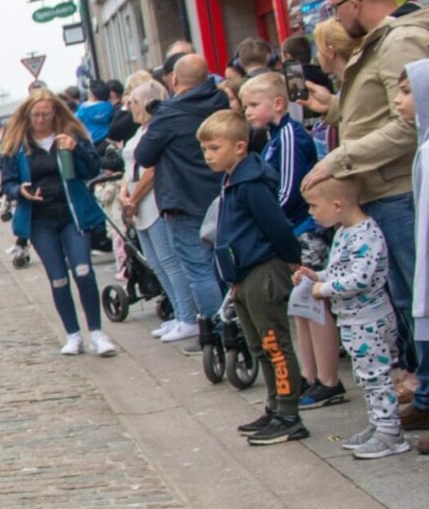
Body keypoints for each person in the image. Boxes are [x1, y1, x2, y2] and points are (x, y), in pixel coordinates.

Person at [300, 0, 429, 438]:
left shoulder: (400, 39)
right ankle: (422, 392)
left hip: (400, 188)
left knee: (420, 298)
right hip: (386, 188)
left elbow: (412, 118)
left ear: (355, 3)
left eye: (335, 6)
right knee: (407, 300)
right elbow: (383, 109)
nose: (334, 17)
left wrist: (342, 159)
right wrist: (333, 108)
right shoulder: (381, 42)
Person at [200, 108, 309, 444]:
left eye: (214, 148)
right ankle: (274, 407)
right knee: (258, 345)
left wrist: (292, 259)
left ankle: (290, 414)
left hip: (263, 269)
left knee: (275, 344)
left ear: (240, 147)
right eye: (205, 149)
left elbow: (275, 224)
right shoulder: (232, 178)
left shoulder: (251, 183)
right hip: (243, 273)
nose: (208, 155)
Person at [242, 72, 344, 408]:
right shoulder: (275, 136)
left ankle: (328, 380)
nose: (247, 111)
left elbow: (286, 191)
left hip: (303, 230)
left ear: (278, 103)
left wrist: (268, 221)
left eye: (254, 104)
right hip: (294, 230)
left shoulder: (287, 135)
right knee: (300, 307)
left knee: (313, 305)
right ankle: (311, 377)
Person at [0, 92, 116, 356]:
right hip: (40, 220)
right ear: (27, 116)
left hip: (72, 215)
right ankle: (73, 334)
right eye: (36, 115)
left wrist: (75, 150)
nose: (41, 120)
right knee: (58, 278)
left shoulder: (70, 136)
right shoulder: (18, 146)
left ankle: (97, 333)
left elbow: (91, 169)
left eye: (46, 114)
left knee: (83, 271)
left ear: (55, 113)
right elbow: (7, 183)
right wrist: (21, 190)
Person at [298, 174, 406, 458]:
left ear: (336, 204)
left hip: (368, 319)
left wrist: (325, 288)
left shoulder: (366, 234)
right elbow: (341, 271)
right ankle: (379, 424)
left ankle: (390, 432)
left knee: (376, 376)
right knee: (365, 377)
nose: (311, 212)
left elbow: (359, 278)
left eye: (313, 205)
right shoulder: (346, 231)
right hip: (354, 319)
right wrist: (317, 276)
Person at [136, 53, 232, 355]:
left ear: (174, 80)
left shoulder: (170, 114)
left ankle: (221, 332)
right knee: (225, 266)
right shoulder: (220, 103)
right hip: (222, 195)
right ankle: (239, 324)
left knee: (199, 269)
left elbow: (144, 155)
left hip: (184, 201)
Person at [118, 77, 200, 341]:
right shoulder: (139, 132)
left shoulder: (158, 128)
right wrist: (124, 194)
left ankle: (188, 316)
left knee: (170, 261)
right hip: (138, 204)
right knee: (155, 262)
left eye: (134, 102)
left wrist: (134, 197)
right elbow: (129, 170)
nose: (129, 107)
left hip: (152, 201)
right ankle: (179, 313)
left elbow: (151, 171)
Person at [76, 80, 116, 147]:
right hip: (107, 140)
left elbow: (73, 120)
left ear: (93, 95)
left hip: (91, 141)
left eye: (88, 93)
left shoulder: (83, 109)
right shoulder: (109, 107)